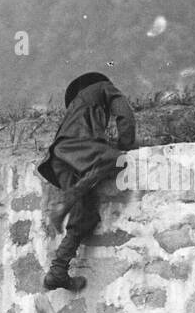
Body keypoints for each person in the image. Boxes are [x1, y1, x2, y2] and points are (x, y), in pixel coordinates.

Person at [37, 71, 137, 292]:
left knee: (86, 215)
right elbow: (124, 113)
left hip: (59, 159)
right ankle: (67, 201)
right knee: (116, 159)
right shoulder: (103, 87)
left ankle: (57, 272)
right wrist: (126, 143)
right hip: (78, 148)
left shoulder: (73, 109)